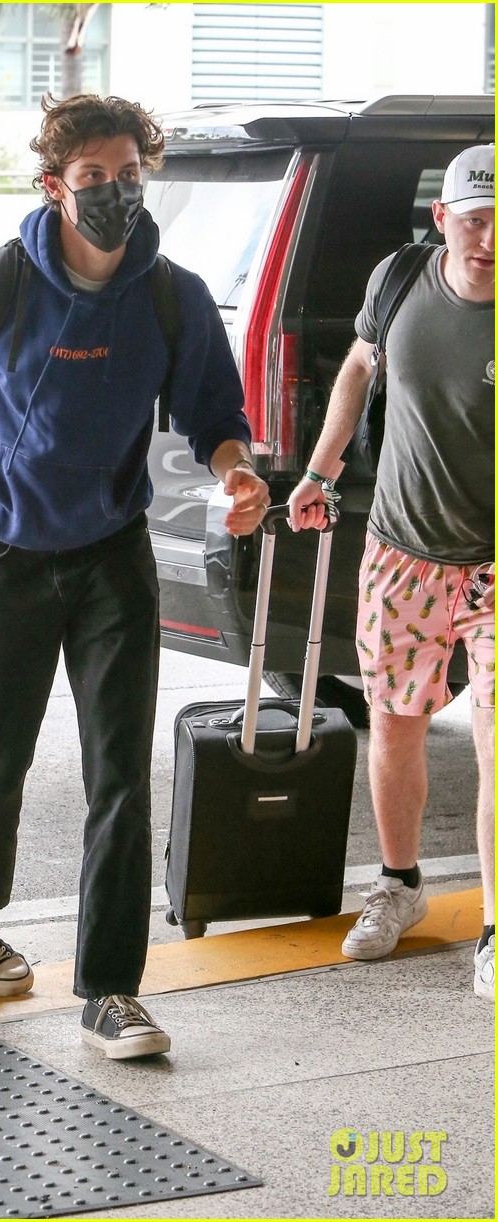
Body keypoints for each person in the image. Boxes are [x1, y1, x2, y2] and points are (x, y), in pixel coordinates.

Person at [0, 94, 270, 1058]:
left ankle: (109, 991)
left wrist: (238, 474)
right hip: (5, 552)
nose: (114, 193)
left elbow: (215, 411)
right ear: (55, 186)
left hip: (111, 558)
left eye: (129, 175)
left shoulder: (170, 294)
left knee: (117, 778)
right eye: (93, 178)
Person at [287, 144, 495, 1001]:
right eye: (475, 219)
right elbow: (360, 366)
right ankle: (400, 885)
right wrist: (319, 469)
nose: (488, 238)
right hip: (402, 549)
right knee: (396, 719)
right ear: (441, 219)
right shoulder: (400, 278)